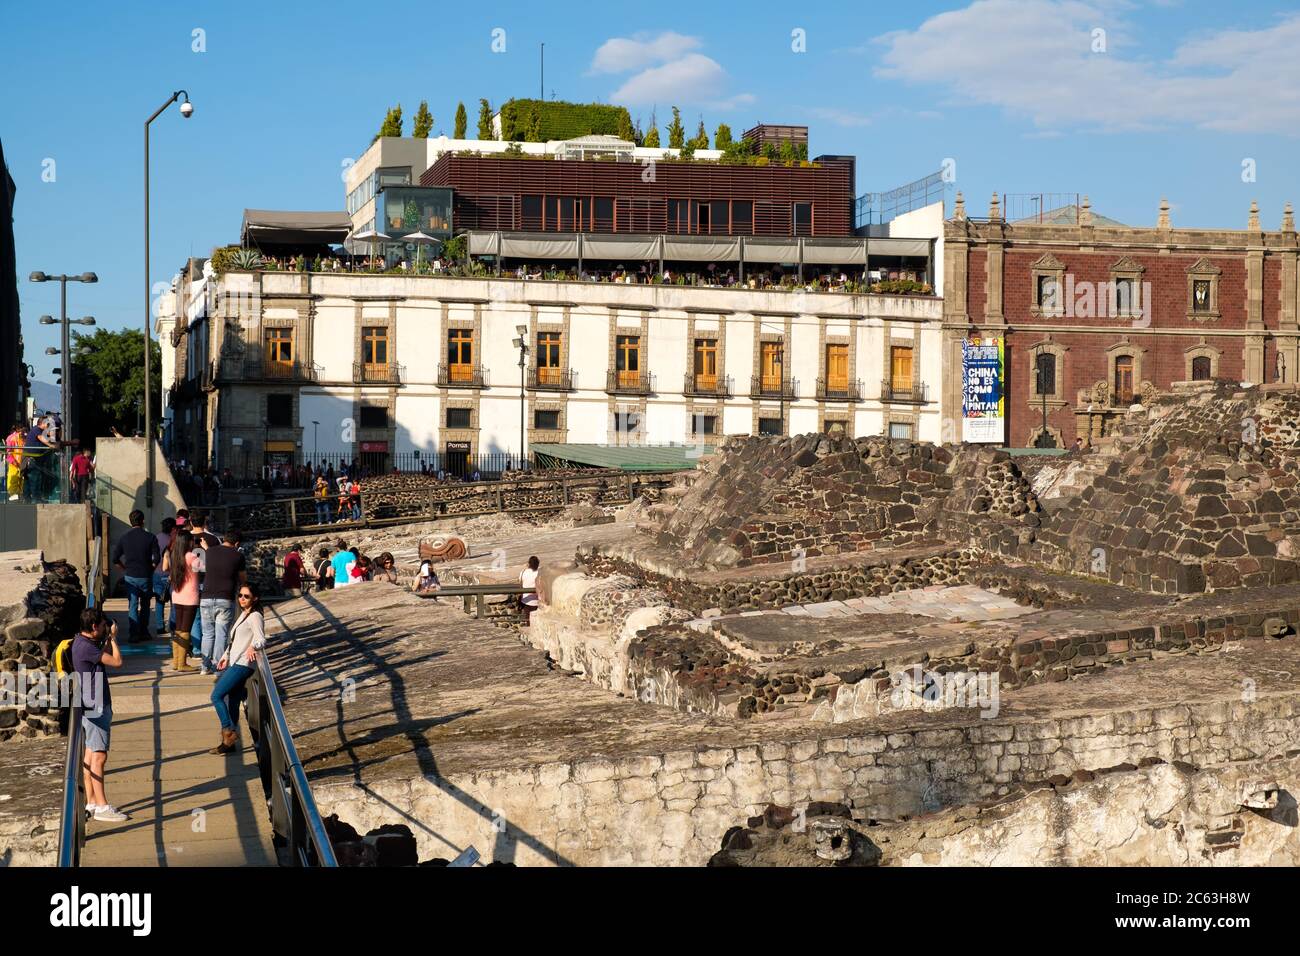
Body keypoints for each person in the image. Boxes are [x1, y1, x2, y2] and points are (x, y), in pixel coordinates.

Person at [71, 607, 128, 822]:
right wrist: (113, 639)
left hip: (86, 703)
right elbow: (117, 662)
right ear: (94, 627)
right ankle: (103, 806)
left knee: (89, 754)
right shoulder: (89, 648)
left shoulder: (79, 642)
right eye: (103, 626)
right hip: (96, 706)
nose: (106, 628)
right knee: (99, 756)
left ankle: (92, 802)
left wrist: (105, 638)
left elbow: (97, 659)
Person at [209, 582, 265, 755]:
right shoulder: (243, 614)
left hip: (243, 664)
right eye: (240, 595)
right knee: (233, 700)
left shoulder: (255, 616)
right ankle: (229, 745)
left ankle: (229, 731)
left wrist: (253, 647)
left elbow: (261, 639)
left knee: (216, 696)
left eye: (246, 596)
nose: (242, 599)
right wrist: (225, 656)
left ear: (255, 598)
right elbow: (235, 640)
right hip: (235, 661)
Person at [199, 530, 246, 676]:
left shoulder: (209, 552)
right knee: (221, 634)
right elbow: (243, 578)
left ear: (224, 539)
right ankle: (218, 668)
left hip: (206, 597)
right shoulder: (238, 555)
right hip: (225, 598)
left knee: (207, 634)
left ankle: (204, 667)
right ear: (237, 544)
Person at [111, 509, 160, 642]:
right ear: (143, 521)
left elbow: (115, 558)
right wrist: (151, 569)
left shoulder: (124, 537)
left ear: (130, 521)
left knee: (132, 605)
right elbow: (157, 558)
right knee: (145, 605)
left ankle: (134, 634)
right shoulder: (150, 537)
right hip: (145, 576)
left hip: (130, 576)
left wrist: (124, 569)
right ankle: (144, 631)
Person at [162, 530, 200, 672]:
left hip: (177, 596)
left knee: (178, 629)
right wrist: (203, 549)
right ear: (188, 542)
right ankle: (182, 663)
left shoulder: (174, 555)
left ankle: (176, 662)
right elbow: (203, 567)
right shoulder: (191, 556)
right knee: (185, 630)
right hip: (190, 598)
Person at [152, 517, 177, 638]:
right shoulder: (174, 540)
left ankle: (159, 627)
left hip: (157, 573)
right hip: (171, 574)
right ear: (173, 528)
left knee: (159, 601)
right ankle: (172, 626)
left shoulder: (156, 538)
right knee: (174, 602)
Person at [519, 555, 541, 626]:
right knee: (536, 622)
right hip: (537, 601)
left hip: (526, 600)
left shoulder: (523, 572)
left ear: (529, 563)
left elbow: (520, 581)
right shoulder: (539, 573)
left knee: (528, 620)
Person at [5, 422, 24, 500]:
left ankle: (18, 494)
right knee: (14, 479)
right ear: (18, 429)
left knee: (20, 479)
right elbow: (8, 451)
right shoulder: (12, 438)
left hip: (20, 462)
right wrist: (13, 461)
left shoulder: (22, 437)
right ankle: (13, 495)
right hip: (15, 462)